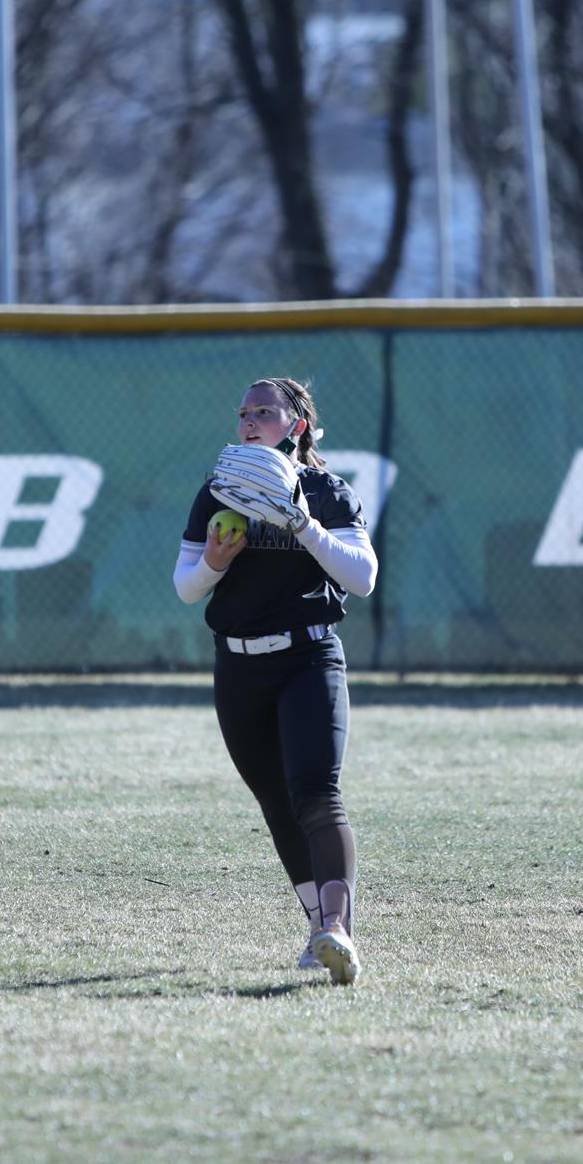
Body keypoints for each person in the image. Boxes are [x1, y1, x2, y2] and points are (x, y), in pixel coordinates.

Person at [174, 377, 379, 986]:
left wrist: (302, 525)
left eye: (265, 411)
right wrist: (214, 562)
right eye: (243, 412)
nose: (249, 419)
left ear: (297, 426)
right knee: (277, 804)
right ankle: (320, 932)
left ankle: (339, 930)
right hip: (238, 666)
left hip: (307, 658)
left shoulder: (322, 490)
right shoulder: (219, 493)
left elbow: (363, 576)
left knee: (317, 793)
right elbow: (186, 586)